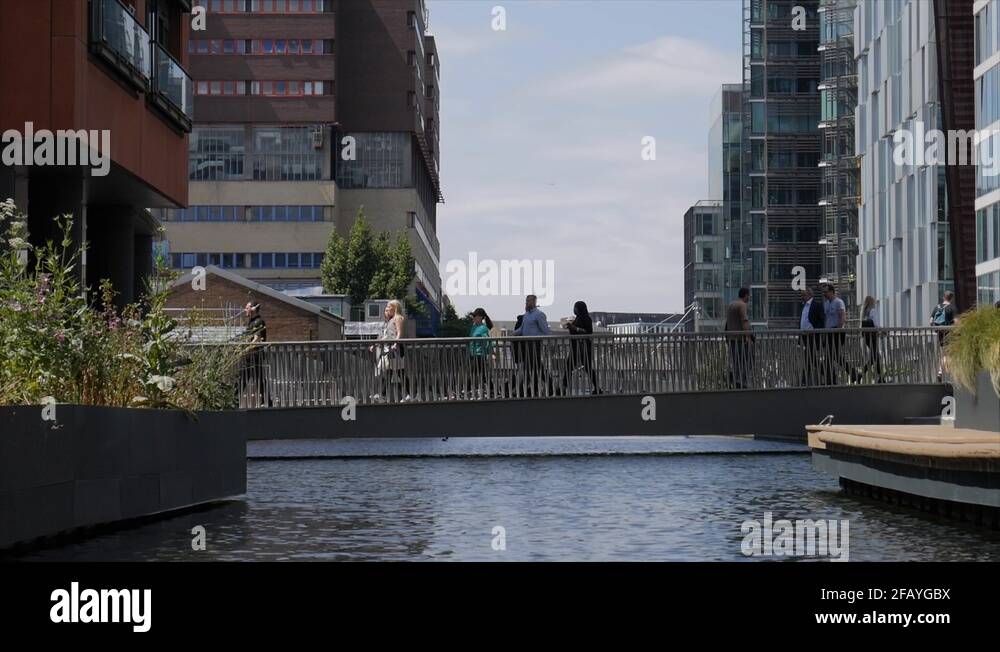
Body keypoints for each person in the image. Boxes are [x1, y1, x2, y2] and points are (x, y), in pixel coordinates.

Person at [513, 295, 552, 396]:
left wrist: (536, 337)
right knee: (536, 366)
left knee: (531, 366)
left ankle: (522, 389)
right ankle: (545, 387)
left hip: (535, 344)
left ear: (534, 302)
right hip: (526, 344)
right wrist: (512, 334)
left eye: (529, 301)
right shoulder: (526, 315)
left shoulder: (539, 315)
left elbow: (546, 331)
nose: (527, 303)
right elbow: (522, 329)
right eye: (526, 301)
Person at [561, 300, 601, 395]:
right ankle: (562, 388)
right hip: (576, 348)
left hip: (583, 348)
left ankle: (562, 388)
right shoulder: (577, 318)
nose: (574, 309)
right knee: (571, 367)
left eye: (576, 307)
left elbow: (587, 332)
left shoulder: (586, 319)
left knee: (584, 368)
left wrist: (574, 328)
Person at [370, 299, 407, 401]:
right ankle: (383, 394)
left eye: (388, 307)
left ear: (394, 308)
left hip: (396, 349)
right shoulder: (390, 321)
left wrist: (396, 343)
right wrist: (375, 344)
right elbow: (385, 337)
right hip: (389, 349)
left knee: (399, 372)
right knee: (389, 372)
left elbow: (399, 333)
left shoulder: (398, 318)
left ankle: (410, 394)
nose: (386, 309)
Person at [822, 284, 852, 385]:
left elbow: (842, 317)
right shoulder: (826, 303)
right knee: (833, 356)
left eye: (826, 292)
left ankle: (831, 380)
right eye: (823, 292)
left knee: (830, 356)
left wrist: (838, 330)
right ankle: (853, 373)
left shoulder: (839, 302)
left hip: (836, 332)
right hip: (829, 332)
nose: (824, 294)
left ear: (831, 292)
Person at [241, 302, 269, 407]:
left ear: (253, 309)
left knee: (244, 379)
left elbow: (257, 339)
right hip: (251, 356)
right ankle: (267, 401)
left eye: (247, 308)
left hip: (255, 356)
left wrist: (245, 350)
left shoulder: (258, 322)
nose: (245, 310)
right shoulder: (252, 322)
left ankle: (232, 401)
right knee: (258, 379)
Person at [724, 288, 754, 389]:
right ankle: (742, 382)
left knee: (736, 361)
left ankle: (734, 379)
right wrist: (748, 337)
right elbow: (744, 321)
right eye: (749, 295)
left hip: (732, 339)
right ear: (745, 295)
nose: (749, 297)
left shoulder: (731, 305)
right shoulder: (742, 305)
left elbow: (727, 324)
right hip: (741, 340)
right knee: (747, 360)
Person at [799, 289, 824, 386]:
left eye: (804, 295)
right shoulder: (803, 306)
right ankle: (828, 373)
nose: (802, 297)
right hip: (805, 336)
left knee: (808, 357)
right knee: (811, 359)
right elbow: (802, 321)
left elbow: (821, 320)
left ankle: (804, 380)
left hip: (813, 336)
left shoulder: (816, 305)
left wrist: (815, 331)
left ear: (809, 295)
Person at [467, 308, 494, 398]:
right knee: (482, 373)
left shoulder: (483, 328)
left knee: (473, 372)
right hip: (473, 353)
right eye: (473, 316)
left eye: (475, 316)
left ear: (481, 317)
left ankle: (466, 389)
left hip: (479, 354)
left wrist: (492, 353)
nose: (473, 318)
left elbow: (488, 341)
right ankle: (492, 389)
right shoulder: (474, 327)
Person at [860, 295, 884, 383]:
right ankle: (862, 372)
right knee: (875, 356)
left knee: (875, 356)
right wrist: (882, 330)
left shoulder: (864, 312)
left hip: (866, 337)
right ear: (872, 302)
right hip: (873, 336)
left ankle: (881, 378)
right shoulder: (873, 311)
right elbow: (876, 324)